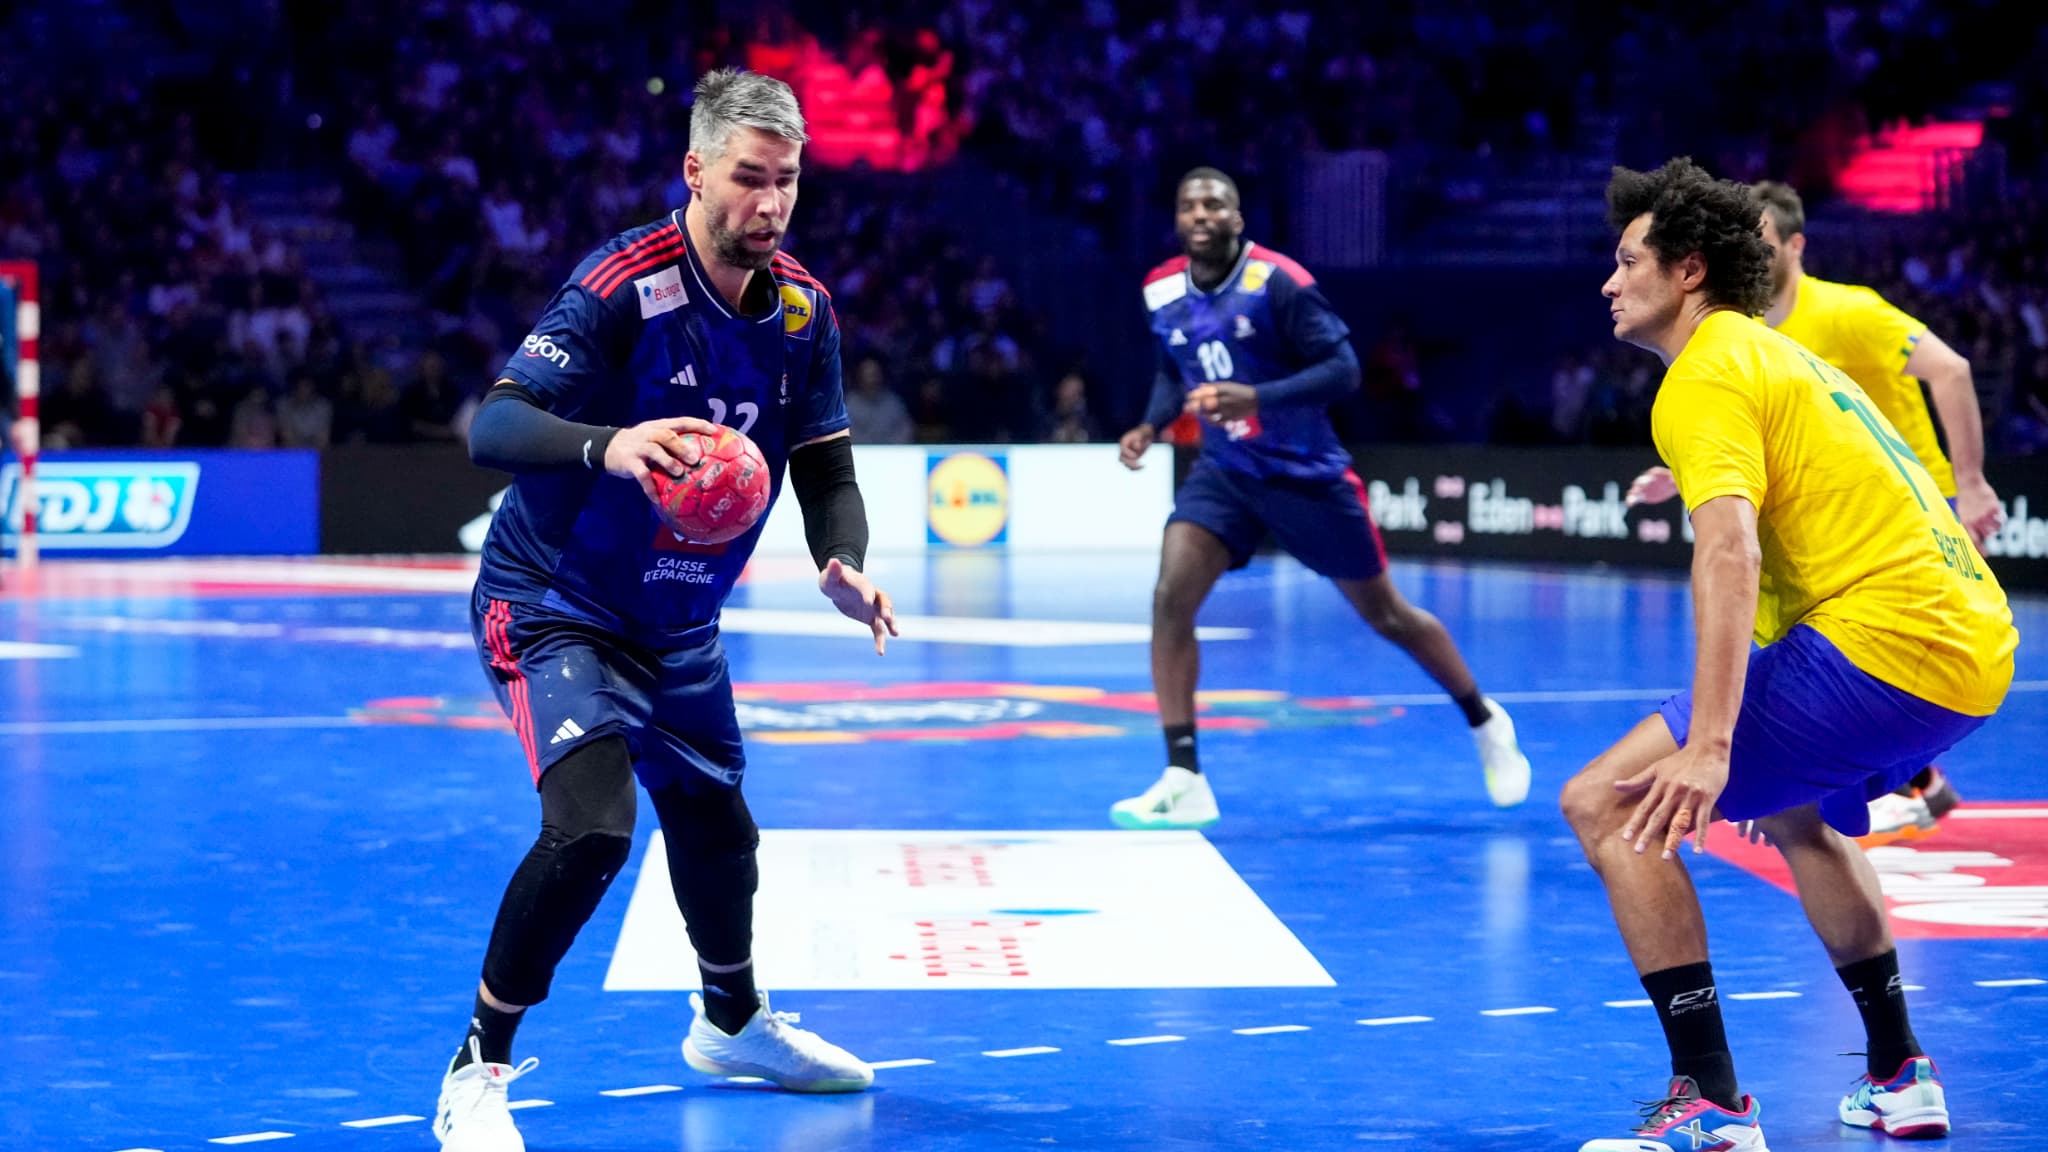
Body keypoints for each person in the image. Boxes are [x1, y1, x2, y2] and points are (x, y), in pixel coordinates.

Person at [435, 69, 899, 1152]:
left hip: (679, 620)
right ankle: (477, 1067)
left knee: (718, 826)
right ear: (694, 170)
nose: (771, 205)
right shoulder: (621, 284)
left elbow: (828, 469)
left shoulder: (805, 312)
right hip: (553, 603)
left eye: (787, 182)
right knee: (592, 829)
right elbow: (493, 427)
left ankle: (731, 1023)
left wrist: (842, 561)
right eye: (749, 178)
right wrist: (610, 443)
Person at [1568, 158, 2014, 1151]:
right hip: (1971, 648)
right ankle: (1899, 1074)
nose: (1608, 282)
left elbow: (1730, 552)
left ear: (1687, 270)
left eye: (1627, 261)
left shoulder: (1703, 374)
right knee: (1795, 817)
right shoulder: (1778, 354)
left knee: (1606, 805)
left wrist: (1709, 745)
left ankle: (1709, 1106)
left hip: (1880, 645)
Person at [1109, 167, 1530, 830]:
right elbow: (1173, 369)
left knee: (1388, 615)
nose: (1200, 214)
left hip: (1305, 475)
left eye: (1214, 204)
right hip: (1226, 473)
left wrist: (1257, 398)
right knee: (1170, 599)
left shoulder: (1279, 282)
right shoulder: (1160, 288)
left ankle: (1484, 720)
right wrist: (1149, 424)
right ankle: (1184, 776)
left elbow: (1343, 371)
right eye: (1188, 205)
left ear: (1236, 218)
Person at [1625, 180, 1994, 843]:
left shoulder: (1848, 313)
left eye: (1764, 240)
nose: (1752, 250)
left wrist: (1969, 484)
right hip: (1842, 510)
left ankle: (1911, 785)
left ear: (1795, 246)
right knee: (1802, 801)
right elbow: (1778, 442)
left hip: (1905, 508)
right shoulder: (1757, 337)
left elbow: (1953, 370)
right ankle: (1889, 787)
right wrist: (1684, 475)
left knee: (1889, 654)